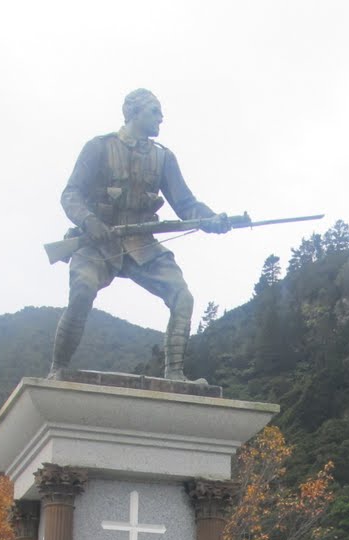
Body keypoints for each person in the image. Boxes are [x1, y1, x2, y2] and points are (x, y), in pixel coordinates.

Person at [49, 88, 229, 382]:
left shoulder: (163, 158)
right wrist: (90, 221)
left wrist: (211, 219)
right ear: (134, 112)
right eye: (154, 111)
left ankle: (175, 373)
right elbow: (71, 194)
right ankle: (57, 368)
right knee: (82, 291)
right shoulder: (99, 147)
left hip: (143, 245)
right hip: (98, 241)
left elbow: (186, 204)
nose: (161, 117)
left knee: (182, 296)